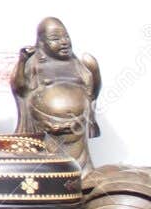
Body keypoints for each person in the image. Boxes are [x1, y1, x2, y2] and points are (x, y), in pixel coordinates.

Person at [10, 17, 100, 168]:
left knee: (82, 175)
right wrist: (22, 61)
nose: (64, 42)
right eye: (55, 39)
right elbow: (20, 89)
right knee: (48, 173)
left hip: (77, 132)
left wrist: (95, 71)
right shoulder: (34, 64)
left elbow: (92, 92)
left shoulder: (79, 64)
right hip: (46, 131)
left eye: (66, 37)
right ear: (42, 42)